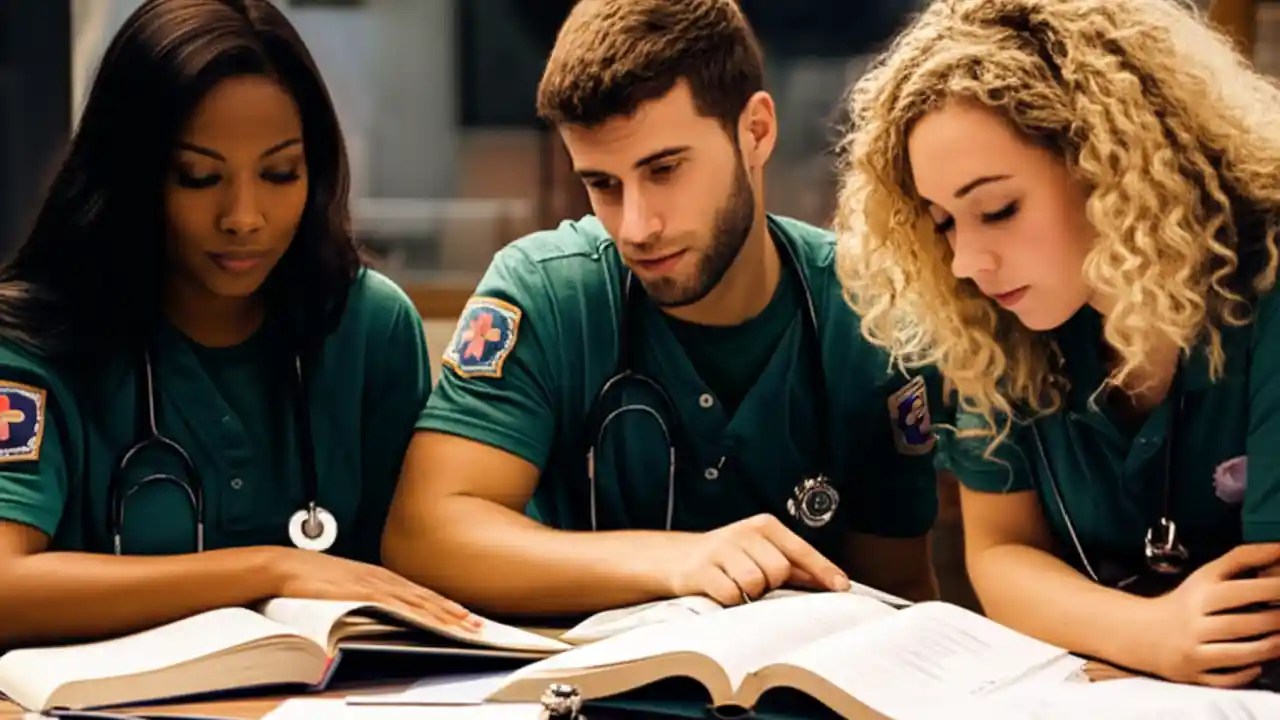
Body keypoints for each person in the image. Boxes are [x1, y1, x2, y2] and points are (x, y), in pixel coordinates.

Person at [382, 0, 941, 617]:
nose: (636, 227)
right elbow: (423, 537)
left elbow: (897, 596)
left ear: (755, 131)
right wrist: (674, 560)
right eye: (603, 184)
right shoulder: (547, 291)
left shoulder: (867, 315)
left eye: (665, 169)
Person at [0, 0, 475, 648]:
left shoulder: (367, 327)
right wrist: (269, 569)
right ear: (130, 174)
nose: (244, 217)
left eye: (281, 173)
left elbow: (422, 570)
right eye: (199, 178)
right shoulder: (34, 338)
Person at [832, 0, 1280, 688]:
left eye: (999, 210)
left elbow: (1264, 605)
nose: (965, 263)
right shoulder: (995, 324)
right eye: (946, 222)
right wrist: (1151, 636)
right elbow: (999, 553)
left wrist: (1116, 651)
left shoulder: (1266, 287)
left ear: (1113, 163)